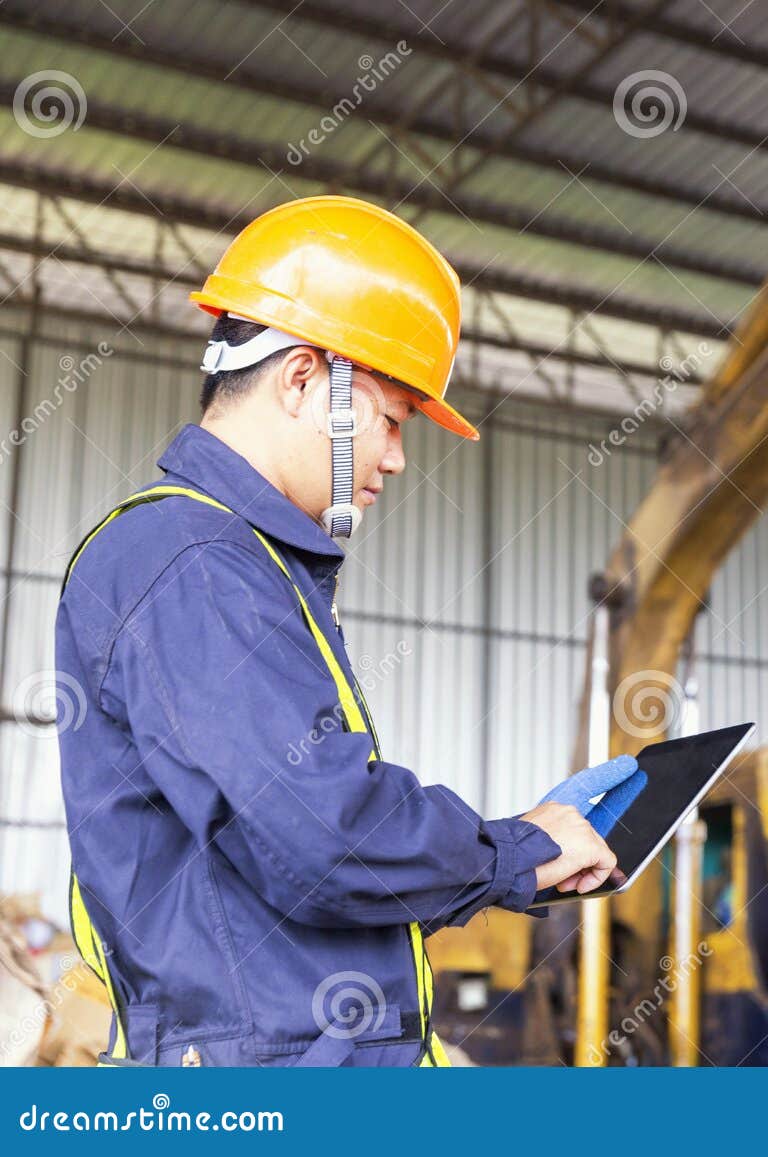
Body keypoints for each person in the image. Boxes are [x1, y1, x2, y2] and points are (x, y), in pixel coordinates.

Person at [55, 195, 631, 1067]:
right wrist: (515, 847)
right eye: (393, 418)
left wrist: (521, 856)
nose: (398, 458)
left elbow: (306, 855)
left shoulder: (236, 560)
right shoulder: (192, 559)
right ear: (301, 381)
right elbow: (324, 840)